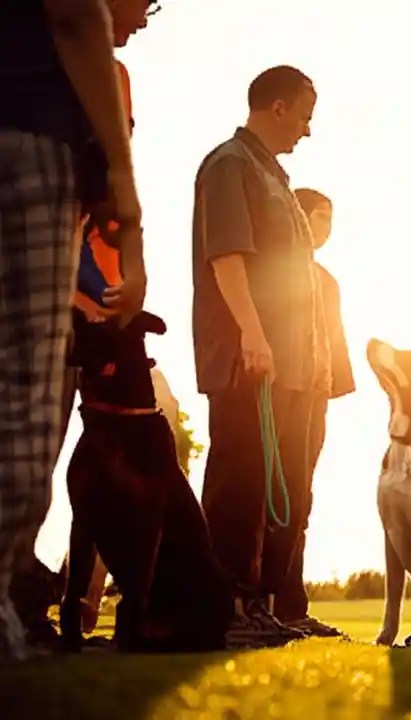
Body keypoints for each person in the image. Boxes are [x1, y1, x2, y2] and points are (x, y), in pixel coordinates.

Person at [0, 0, 143, 662]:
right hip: (25, 139)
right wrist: (120, 171)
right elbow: (72, 13)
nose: (145, 16)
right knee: (26, 398)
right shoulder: (90, 59)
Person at [192, 65, 328, 648]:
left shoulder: (275, 175)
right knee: (240, 482)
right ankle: (223, 608)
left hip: (293, 366)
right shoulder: (230, 166)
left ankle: (262, 606)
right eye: (303, 116)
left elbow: (298, 276)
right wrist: (252, 333)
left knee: (286, 490)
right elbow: (228, 257)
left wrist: (315, 351)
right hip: (250, 358)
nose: (306, 130)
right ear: (276, 108)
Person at [57, 0, 161, 640]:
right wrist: (76, 298)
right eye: (143, 3)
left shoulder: (115, 73)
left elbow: (104, 193)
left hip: (101, 298)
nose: (148, 17)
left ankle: (83, 613)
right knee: (36, 444)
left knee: (88, 467)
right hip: (67, 299)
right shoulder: (57, 56)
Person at [272, 188, 353, 637]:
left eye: (330, 219)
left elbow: (334, 342)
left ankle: (290, 607)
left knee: (300, 499)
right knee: (272, 497)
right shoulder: (273, 271)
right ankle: (257, 602)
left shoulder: (327, 281)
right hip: (278, 396)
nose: (327, 228)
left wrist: (332, 387)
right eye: (321, 217)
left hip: (314, 400)